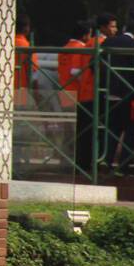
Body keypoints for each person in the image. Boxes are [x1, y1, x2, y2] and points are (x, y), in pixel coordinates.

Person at [98, 12, 134, 175]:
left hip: (109, 92)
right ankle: (123, 166)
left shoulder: (108, 41)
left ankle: (107, 160)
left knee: (112, 130)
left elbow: (95, 65)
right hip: (128, 95)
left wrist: (105, 82)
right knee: (130, 131)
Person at [58, 20, 97, 173]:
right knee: (80, 130)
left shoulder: (64, 48)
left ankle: (64, 159)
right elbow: (76, 71)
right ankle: (76, 163)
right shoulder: (80, 49)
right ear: (85, 34)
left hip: (64, 91)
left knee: (69, 129)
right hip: (78, 94)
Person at [14, 15, 38, 107]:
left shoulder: (4, 43)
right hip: (21, 89)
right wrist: (36, 96)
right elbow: (33, 73)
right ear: (26, 28)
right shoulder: (27, 46)